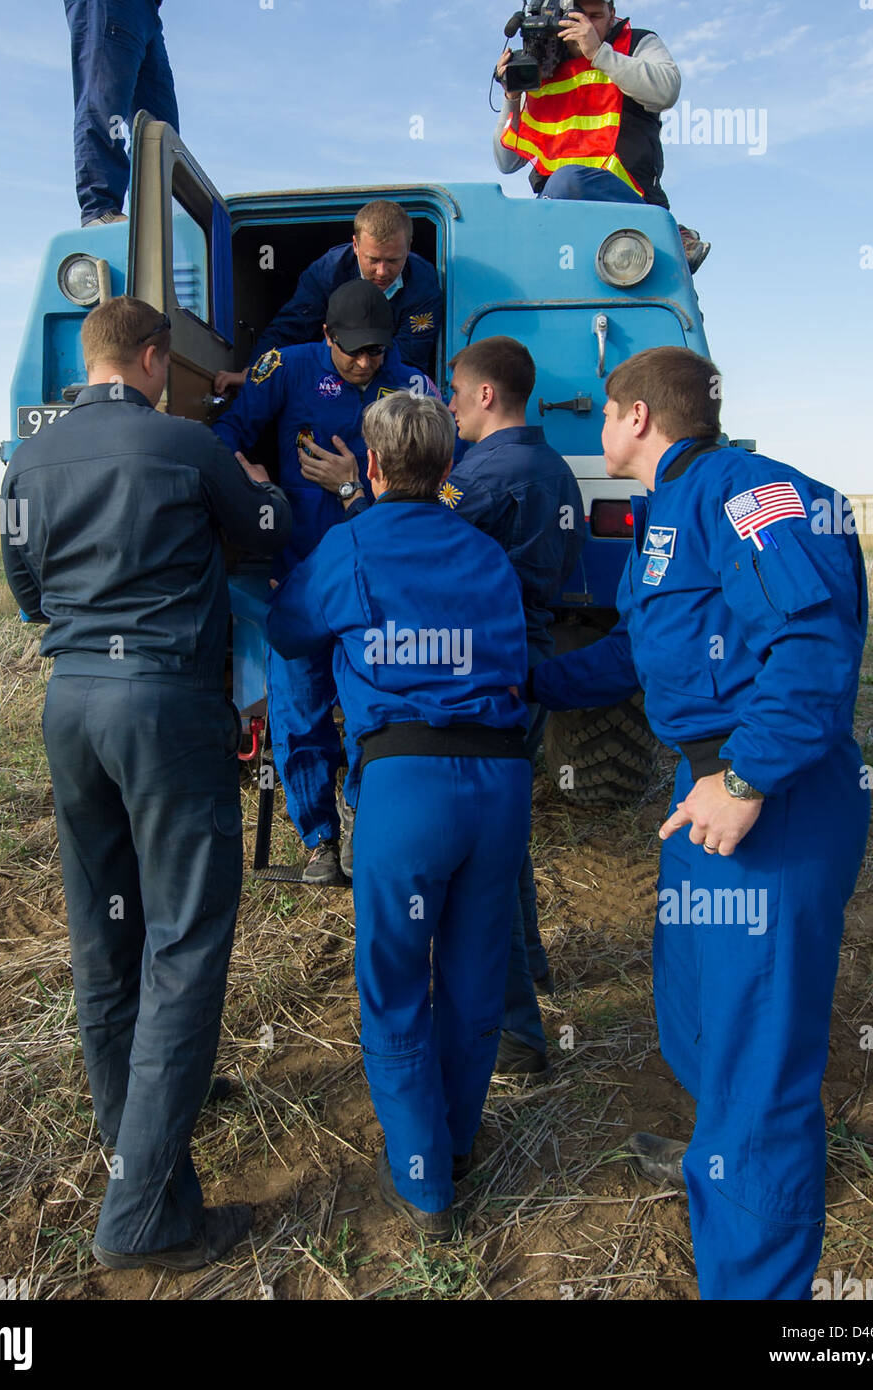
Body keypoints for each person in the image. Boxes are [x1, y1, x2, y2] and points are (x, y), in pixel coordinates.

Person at [530, 346, 870, 1300]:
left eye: (601, 412)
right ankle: (718, 1155)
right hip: (707, 787)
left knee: (758, 1059)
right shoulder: (664, 515)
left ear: (634, 417)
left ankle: (757, 1282)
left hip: (770, 797)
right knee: (693, 1011)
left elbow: (811, 644)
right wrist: (518, 679)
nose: (598, 430)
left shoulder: (748, 493)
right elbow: (638, 655)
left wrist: (749, 776)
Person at [0, 295, 292, 1271]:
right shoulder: (184, 444)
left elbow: (28, 591)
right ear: (156, 360)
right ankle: (140, 1218)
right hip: (162, 709)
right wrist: (257, 482)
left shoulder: (28, 460)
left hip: (70, 705)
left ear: (88, 362)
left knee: (104, 945)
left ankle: (140, 1160)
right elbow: (264, 535)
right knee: (184, 946)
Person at [266, 392, 532, 1237]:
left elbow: (288, 630)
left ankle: (424, 1189)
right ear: (449, 469)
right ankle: (456, 1142)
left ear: (372, 468)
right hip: (498, 787)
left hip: (405, 788)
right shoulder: (486, 554)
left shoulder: (348, 548)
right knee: (472, 974)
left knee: (391, 987)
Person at [212, 279, 438, 884]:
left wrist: (354, 490)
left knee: (378, 714)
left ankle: (371, 828)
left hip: (377, 591)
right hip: (304, 580)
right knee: (298, 712)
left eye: (377, 350)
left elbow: (442, 487)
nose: (367, 362)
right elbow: (227, 434)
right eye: (354, 351)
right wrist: (245, 481)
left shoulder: (412, 386)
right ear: (326, 336)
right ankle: (319, 843)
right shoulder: (286, 368)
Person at [443, 336, 584, 1076]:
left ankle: (515, 1036)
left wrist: (352, 494)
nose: (451, 405)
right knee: (505, 834)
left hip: (487, 670)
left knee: (478, 856)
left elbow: (425, 547)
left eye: (457, 393)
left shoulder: (484, 474)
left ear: (487, 394)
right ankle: (533, 966)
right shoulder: (555, 468)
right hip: (531, 657)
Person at [493, 3, 710, 273]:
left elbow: (666, 91)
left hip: (630, 200)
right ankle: (669, 238)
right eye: (579, 16)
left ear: (612, 13)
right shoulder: (541, 63)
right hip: (559, 209)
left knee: (567, 182)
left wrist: (598, 53)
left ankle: (665, 235)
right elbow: (506, 162)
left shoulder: (636, 43)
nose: (587, 25)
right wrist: (512, 97)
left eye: (595, 17)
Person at [214, 202, 442, 388]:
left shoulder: (423, 284)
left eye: (393, 260)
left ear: (409, 247)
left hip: (390, 379)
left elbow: (409, 357)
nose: (382, 272)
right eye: (373, 260)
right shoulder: (327, 272)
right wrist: (255, 370)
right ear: (355, 245)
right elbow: (291, 329)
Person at [64, 1, 179, 227]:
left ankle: (153, 220)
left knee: (162, 131)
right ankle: (100, 208)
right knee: (105, 102)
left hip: (148, 11)